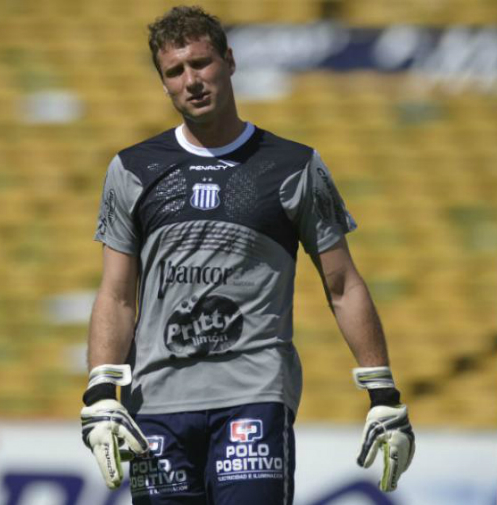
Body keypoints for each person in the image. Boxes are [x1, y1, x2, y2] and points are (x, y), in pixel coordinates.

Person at [79, 6, 414, 503]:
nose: (191, 80)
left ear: (229, 62)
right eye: (175, 72)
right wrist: (101, 393)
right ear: (163, 83)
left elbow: (343, 285)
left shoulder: (293, 165)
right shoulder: (133, 169)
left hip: (254, 397)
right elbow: (117, 294)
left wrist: (383, 395)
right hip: (157, 405)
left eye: (201, 63)